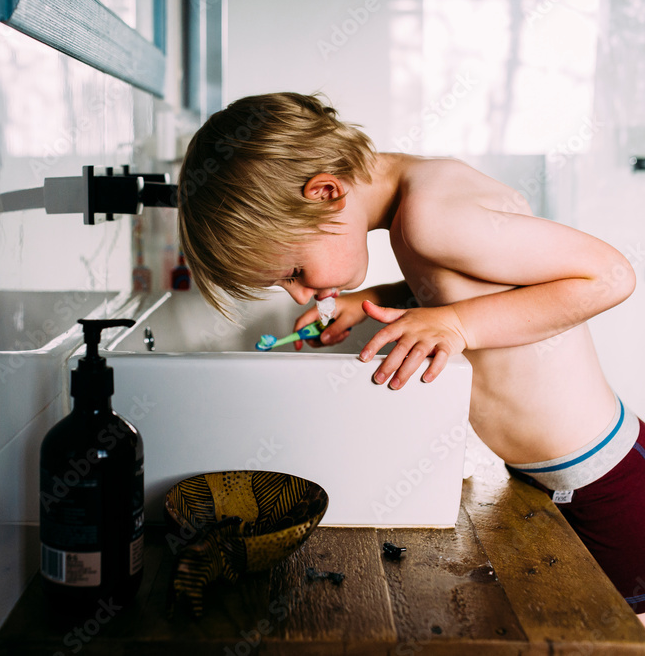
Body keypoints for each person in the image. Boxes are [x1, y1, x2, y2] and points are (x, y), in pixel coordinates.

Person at [177, 91, 644, 620]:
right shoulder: (419, 204)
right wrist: (372, 302)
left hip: (608, 481)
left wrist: (458, 325)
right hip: (556, 476)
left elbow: (609, 276)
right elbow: (469, 284)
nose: (300, 295)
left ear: (326, 192)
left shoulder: (429, 216)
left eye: (294, 273)